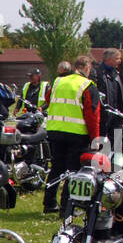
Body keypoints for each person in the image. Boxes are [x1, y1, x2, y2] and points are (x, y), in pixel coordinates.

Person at [42, 56, 101, 213]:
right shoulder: (88, 85)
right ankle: (66, 206)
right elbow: (93, 115)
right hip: (77, 134)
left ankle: (49, 203)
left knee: (56, 168)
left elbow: (48, 100)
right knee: (73, 171)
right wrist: (95, 138)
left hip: (55, 130)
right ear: (87, 68)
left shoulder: (58, 81)